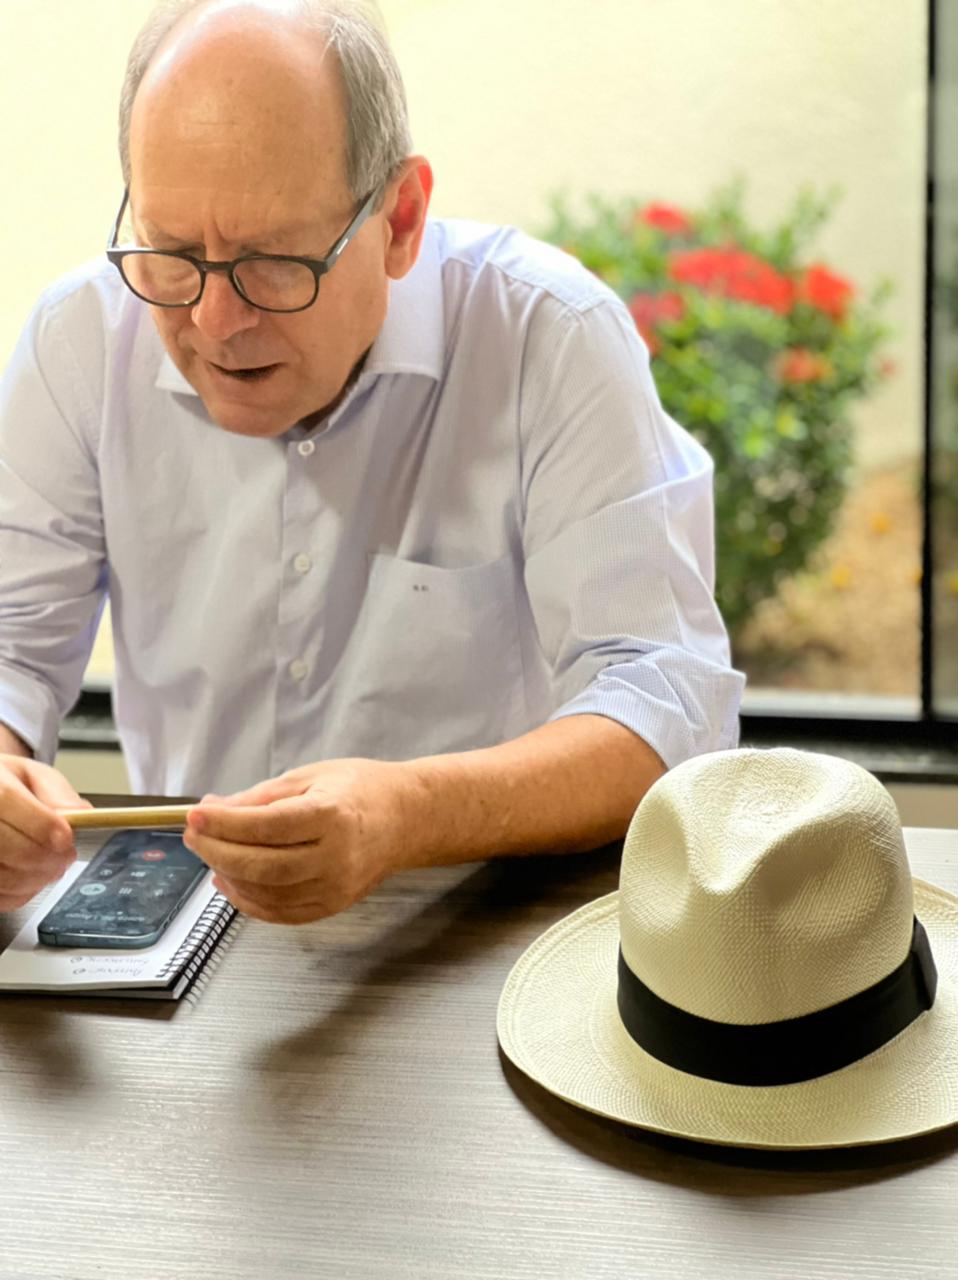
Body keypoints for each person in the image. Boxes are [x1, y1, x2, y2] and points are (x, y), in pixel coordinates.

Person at [0, 0, 743, 923]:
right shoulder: (80, 342)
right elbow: (9, 644)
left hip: (491, 927)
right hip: (181, 922)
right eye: (175, 253)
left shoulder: (548, 340)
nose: (215, 322)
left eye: (272, 262)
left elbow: (667, 705)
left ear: (399, 218)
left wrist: (410, 813)